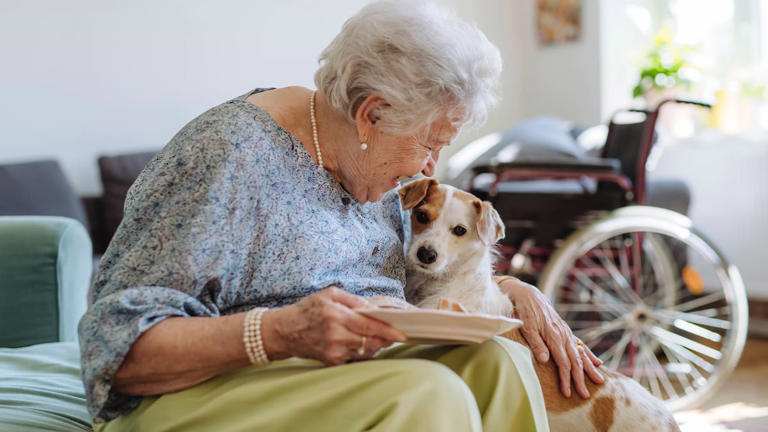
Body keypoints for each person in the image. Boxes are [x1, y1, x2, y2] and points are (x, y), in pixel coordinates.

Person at [79, 1, 604, 430]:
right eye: (428, 144)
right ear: (371, 114)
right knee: (428, 390)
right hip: (199, 393)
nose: (430, 167)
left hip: (331, 374)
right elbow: (118, 351)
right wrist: (280, 332)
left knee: (499, 362)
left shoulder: (371, 173)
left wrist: (511, 288)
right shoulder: (228, 157)